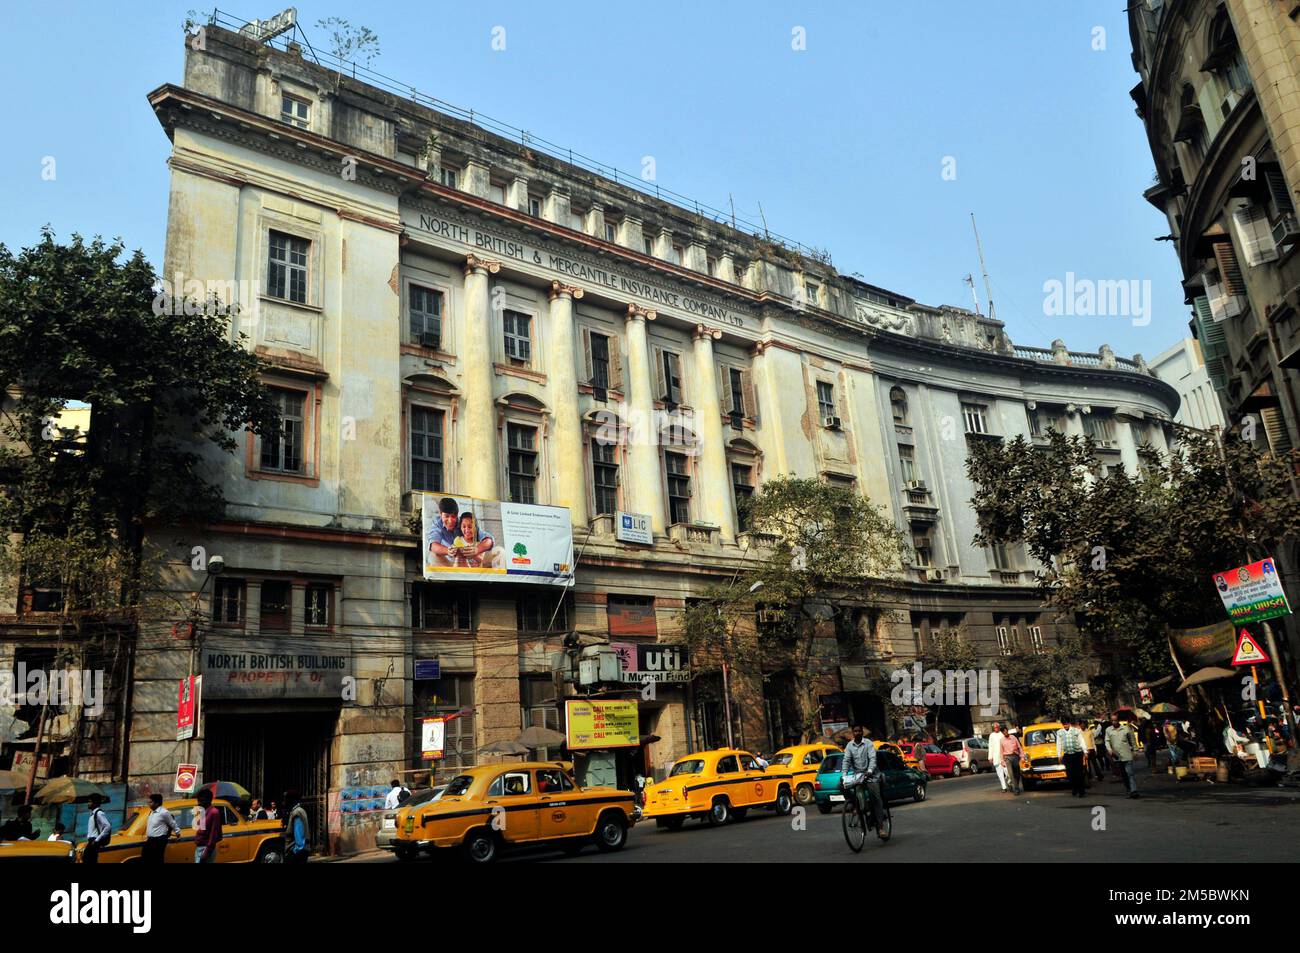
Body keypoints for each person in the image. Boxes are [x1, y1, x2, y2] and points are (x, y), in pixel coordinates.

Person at [841, 724, 885, 826]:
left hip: (871, 775)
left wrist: (869, 771)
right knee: (841, 785)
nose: (857, 733)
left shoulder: (868, 743)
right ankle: (855, 804)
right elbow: (846, 761)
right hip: (858, 776)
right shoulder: (849, 746)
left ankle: (881, 825)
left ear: (862, 732)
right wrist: (844, 775)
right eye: (855, 731)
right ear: (852, 733)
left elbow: (873, 758)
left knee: (876, 798)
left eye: (859, 731)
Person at [1105, 713, 1140, 798]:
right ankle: (1129, 790)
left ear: (1118, 720)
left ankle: (1134, 791)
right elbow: (1107, 741)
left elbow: (1132, 740)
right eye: (1112, 720)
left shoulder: (1126, 729)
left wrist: (1135, 751)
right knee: (1124, 775)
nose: (1114, 722)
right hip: (1117, 756)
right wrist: (1109, 750)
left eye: (1115, 720)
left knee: (1130, 773)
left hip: (1127, 755)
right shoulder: (1108, 730)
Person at [143, 793, 179, 863]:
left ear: (157, 803)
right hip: (151, 839)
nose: (148, 804)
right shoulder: (152, 812)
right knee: (145, 856)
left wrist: (178, 833)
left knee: (157, 858)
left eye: (151, 802)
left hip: (159, 840)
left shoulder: (164, 812)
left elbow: (172, 823)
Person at [1056, 716, 1088, 797]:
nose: (1065, 726)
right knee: (1070, 773)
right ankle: (1074, 788)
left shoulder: (1076, 731)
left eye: (1066, 724)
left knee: (1079, 773)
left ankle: (1081, 791)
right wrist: (1059, 755)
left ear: (1069, 723)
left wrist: (1085, 751)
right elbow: (1058, 744)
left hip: (1077, 754)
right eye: (1064, 724)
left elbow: (1081, 741)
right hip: (1067, 755)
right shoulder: (1059, 732)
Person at [193, 789, 223, 863]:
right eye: (198, 801)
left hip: (206, 848)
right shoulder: (202, 811)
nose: (199, 803)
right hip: (199, 847)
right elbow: (199, 828)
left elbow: (213, 834)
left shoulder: (214, 812)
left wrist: (207, 851)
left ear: (208, 800)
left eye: (201, 800)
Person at [82, 794, 112, 863]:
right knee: (87, 859)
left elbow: (108, 826)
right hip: (91, 841)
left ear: (95, 803)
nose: (88, 803)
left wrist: (97, 840)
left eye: (90, 802)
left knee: (88, 859)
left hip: (94, 842)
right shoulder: (93, 814)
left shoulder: (99, 813)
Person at [283, 790, 311, 864]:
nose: (284, 801)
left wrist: (294, 852)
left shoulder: (297, 812)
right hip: (300, 852)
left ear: (292, 800)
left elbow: (299, 836)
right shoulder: (298, 811)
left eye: (286, 799)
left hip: (297, 853)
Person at [1001, 728, 1024, 794]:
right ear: (1002, 733)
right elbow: (1001, 751)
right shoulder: (1001, 740)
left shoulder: (1013, 737)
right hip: (1007, 758)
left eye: (1006, 731)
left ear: (1007, 731)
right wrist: (1002, 761)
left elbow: (1019, 747)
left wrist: (1022, 756)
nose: (1005, 733)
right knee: (1011, 774)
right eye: (1004, 732)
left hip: (1015, 756)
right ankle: (1016, 789)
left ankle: (1016, 785)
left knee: (1017, 773)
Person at [987, 722, 1008, 793]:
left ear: (999, 727)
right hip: (996, 757)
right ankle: (1004, 787)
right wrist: (990, 757)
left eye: (997, 727)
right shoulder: (991, 735)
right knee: (1000, 774)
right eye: (994, 727)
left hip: (1004, 756)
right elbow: (990, 746)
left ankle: (1009, 782)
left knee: (1007, 772)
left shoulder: (1002, 734)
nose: (996, 728)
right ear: (993, 728)